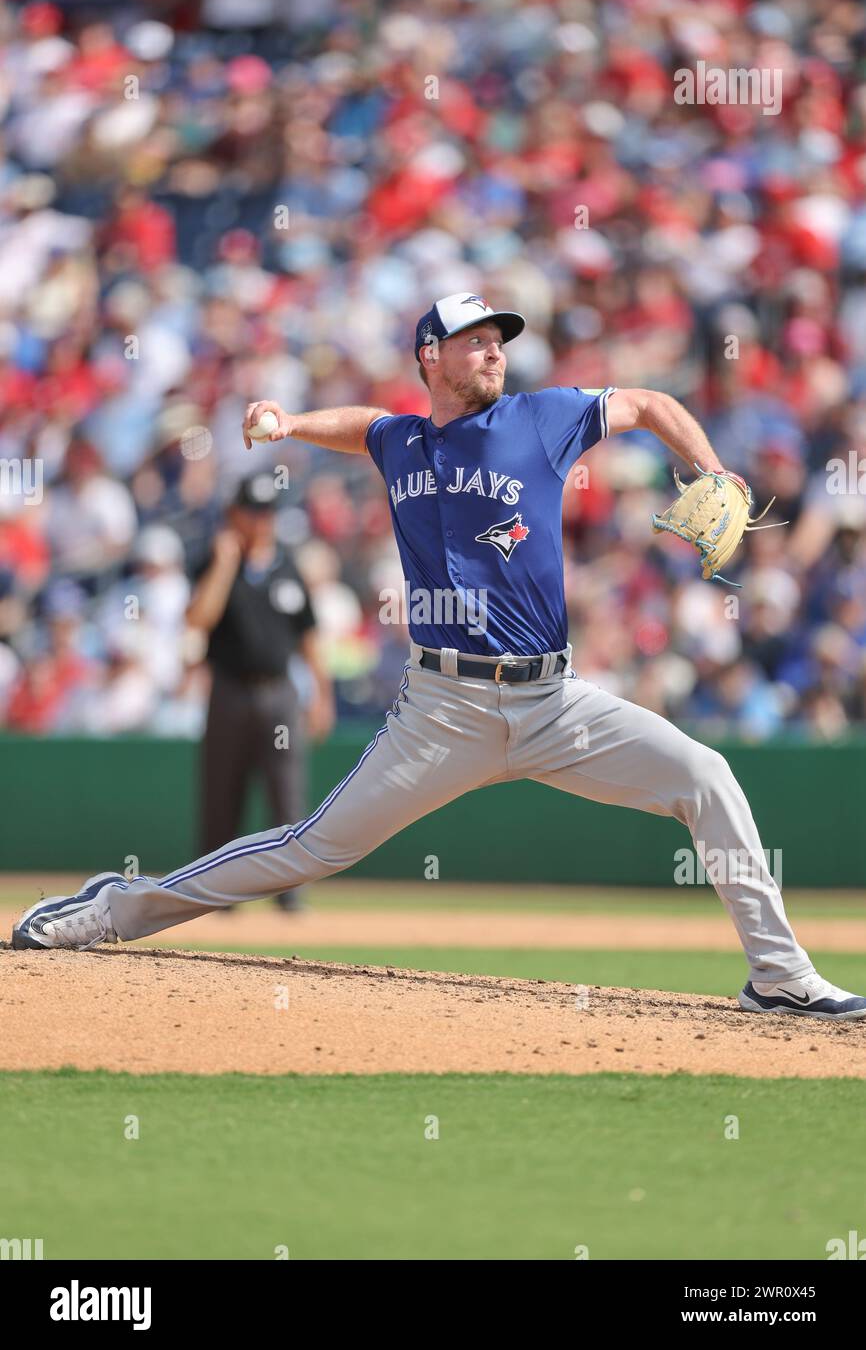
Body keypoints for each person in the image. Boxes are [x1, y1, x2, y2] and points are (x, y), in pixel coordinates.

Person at [13, 293, 866, 1021]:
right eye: (476, 340)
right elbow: (369, 429)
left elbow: (642, 403)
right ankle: (115, 909)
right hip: (441, 710)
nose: (495, 350)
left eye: (500, 340)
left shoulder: (539, 419)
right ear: (431, 355)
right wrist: (292, 423)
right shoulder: (406, 444)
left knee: (707, 776)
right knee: (312, 848)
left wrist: (710, 466)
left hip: (555, 703)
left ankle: (779, 977)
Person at [185, 473, 334, 910]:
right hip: (229, 690)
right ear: (235, 514)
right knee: (222, 794)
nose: (262, 521)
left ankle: (289, 895)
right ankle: (214, 896)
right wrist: (226, 563)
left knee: (286, 793)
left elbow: (309, 636)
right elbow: (198, 619)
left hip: (280, 693)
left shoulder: (287, 566)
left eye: (268, 512)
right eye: (253, 511)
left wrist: (322, 694)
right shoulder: (212, 562)